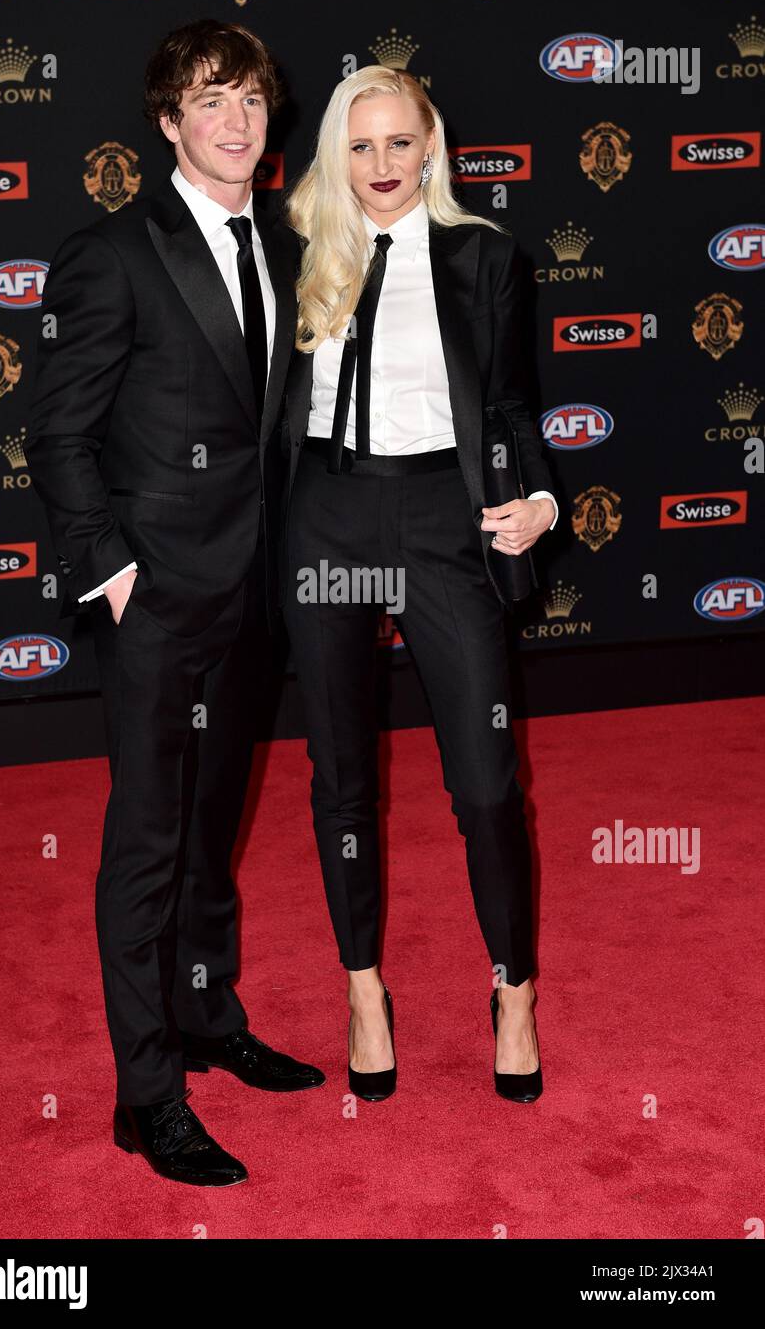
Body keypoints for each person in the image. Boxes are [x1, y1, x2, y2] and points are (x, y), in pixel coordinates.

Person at [26, 19, 324, 1189]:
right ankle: (145, 1094)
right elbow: (57, 434)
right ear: (167, 123)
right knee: (147, 844)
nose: (236, 123)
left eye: (251, 101)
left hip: (253, 593)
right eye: (210, 102)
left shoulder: (292, 247)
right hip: (153, 597)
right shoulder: (111, 253)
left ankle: (206, 1017)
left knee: (214, 831)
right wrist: (114, 573)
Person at [282, 66, 558, 1105]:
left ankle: (515, 989)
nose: (382, 166)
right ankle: (363, 990)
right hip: (326, 515)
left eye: (401, 143)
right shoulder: (292, 252)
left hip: (446, 519)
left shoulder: (486, 258)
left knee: (486, 781)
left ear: (430, 149)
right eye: (360, 146)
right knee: (341, 771)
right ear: (334, 155)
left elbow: (519, 408)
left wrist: (541, 499)